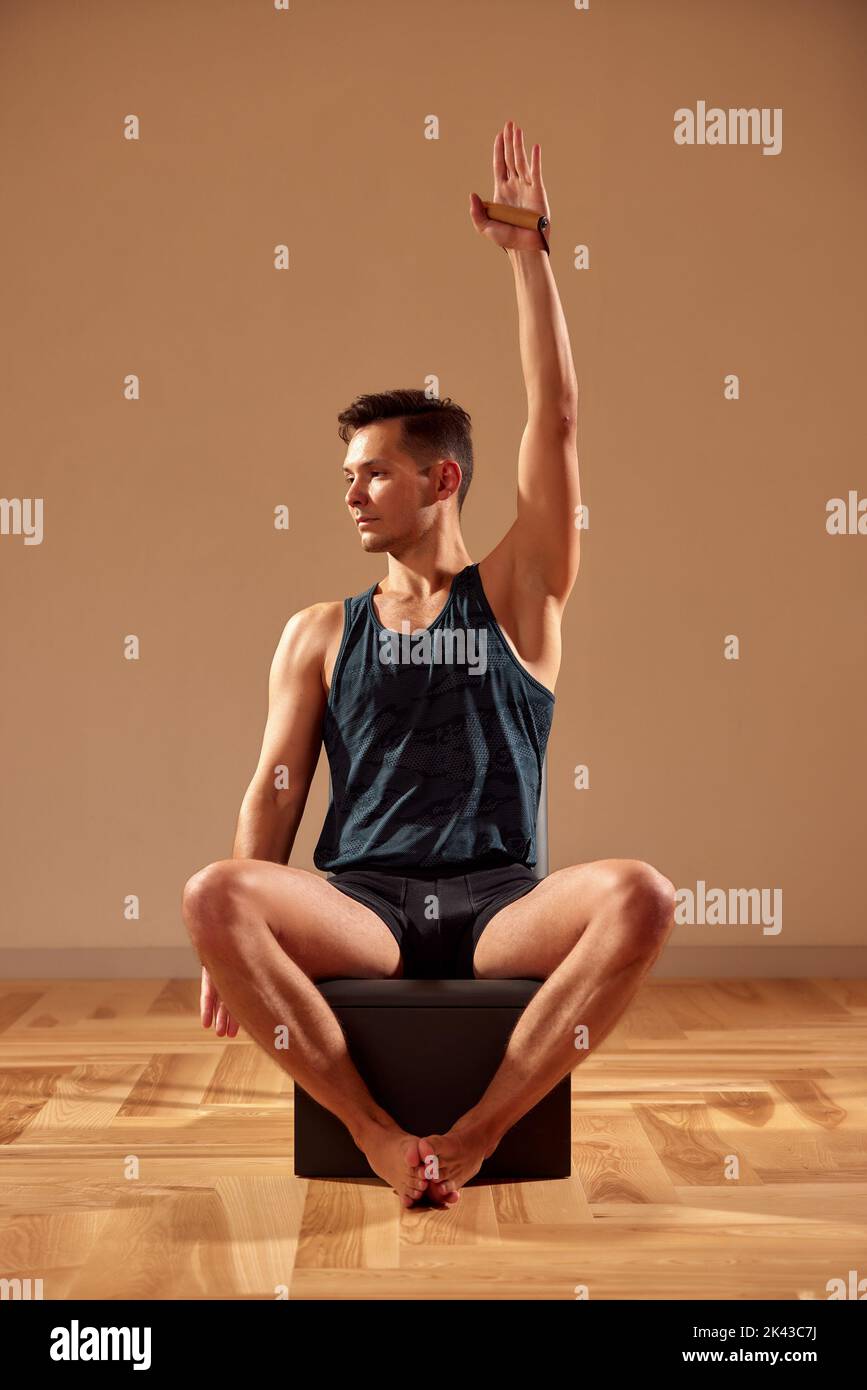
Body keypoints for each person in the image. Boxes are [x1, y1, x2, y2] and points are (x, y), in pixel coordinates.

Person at [182, 120, 675, 1209]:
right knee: (213, 890)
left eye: (372, 474)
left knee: (641, 894)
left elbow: (559, 416)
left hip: (501, 906)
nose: (351, 492)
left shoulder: (519, 592)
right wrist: (235, 943)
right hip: (364, 906)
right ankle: (369, 1128)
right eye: (346, 476)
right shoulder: (318, 630)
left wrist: (527, 249)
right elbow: (275, 794)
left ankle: (484, 1128)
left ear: (442, 478)